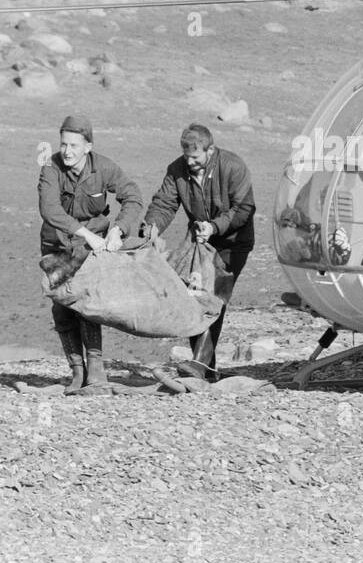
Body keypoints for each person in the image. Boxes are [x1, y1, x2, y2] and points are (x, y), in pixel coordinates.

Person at [38, 115, 143, 393]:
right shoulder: (50, 167)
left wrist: (118, 230)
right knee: (62, 307)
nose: (67, 151)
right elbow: (49, 209)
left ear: (88, 146)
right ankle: (76, 371)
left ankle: (95, 369)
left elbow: (133, 196)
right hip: (58, 246)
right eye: (63, 144)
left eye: (74, 145)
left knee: (88, 304)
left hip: (90, 249)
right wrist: (85, 234)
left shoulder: (104, 167)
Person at [143, 123, 255, 381]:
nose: (189, 161)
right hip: (200, 242)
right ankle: (206, 371)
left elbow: (243, 209)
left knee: (212, 296)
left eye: (195, 156)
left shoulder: (233, 167)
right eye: (186, 156)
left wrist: (214, 227)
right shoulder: (177, 170)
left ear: (211, 149)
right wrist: (151, 228)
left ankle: (200, 365)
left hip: (232, 242)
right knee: (194, 295)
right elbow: (164, 203)